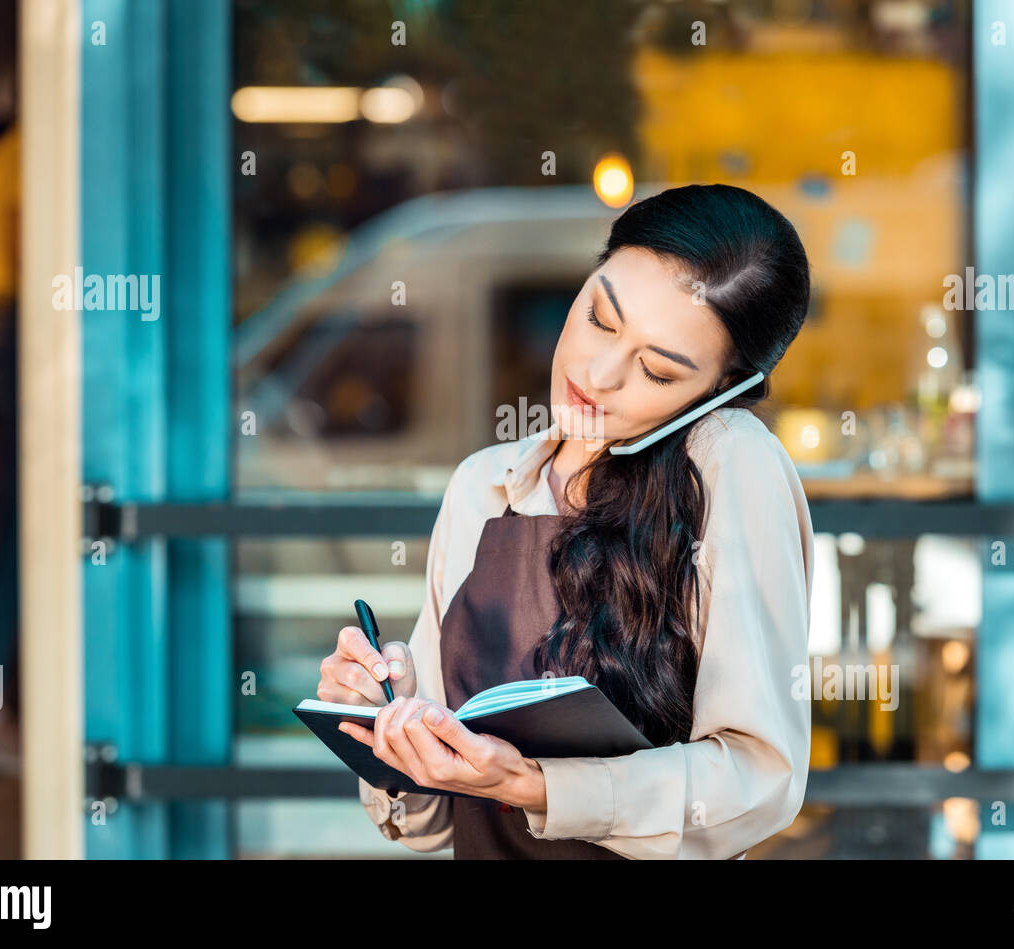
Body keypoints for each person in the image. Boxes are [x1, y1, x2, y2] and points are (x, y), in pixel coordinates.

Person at [317, 183, 815, 859]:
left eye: (658, 371)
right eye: (600, 319)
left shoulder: (730, 462)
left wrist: (537, 785)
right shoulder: (483, 487)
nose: (598, 374)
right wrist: (393, 717)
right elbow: (430, 825)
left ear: (720, 392)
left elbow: (760, 779)